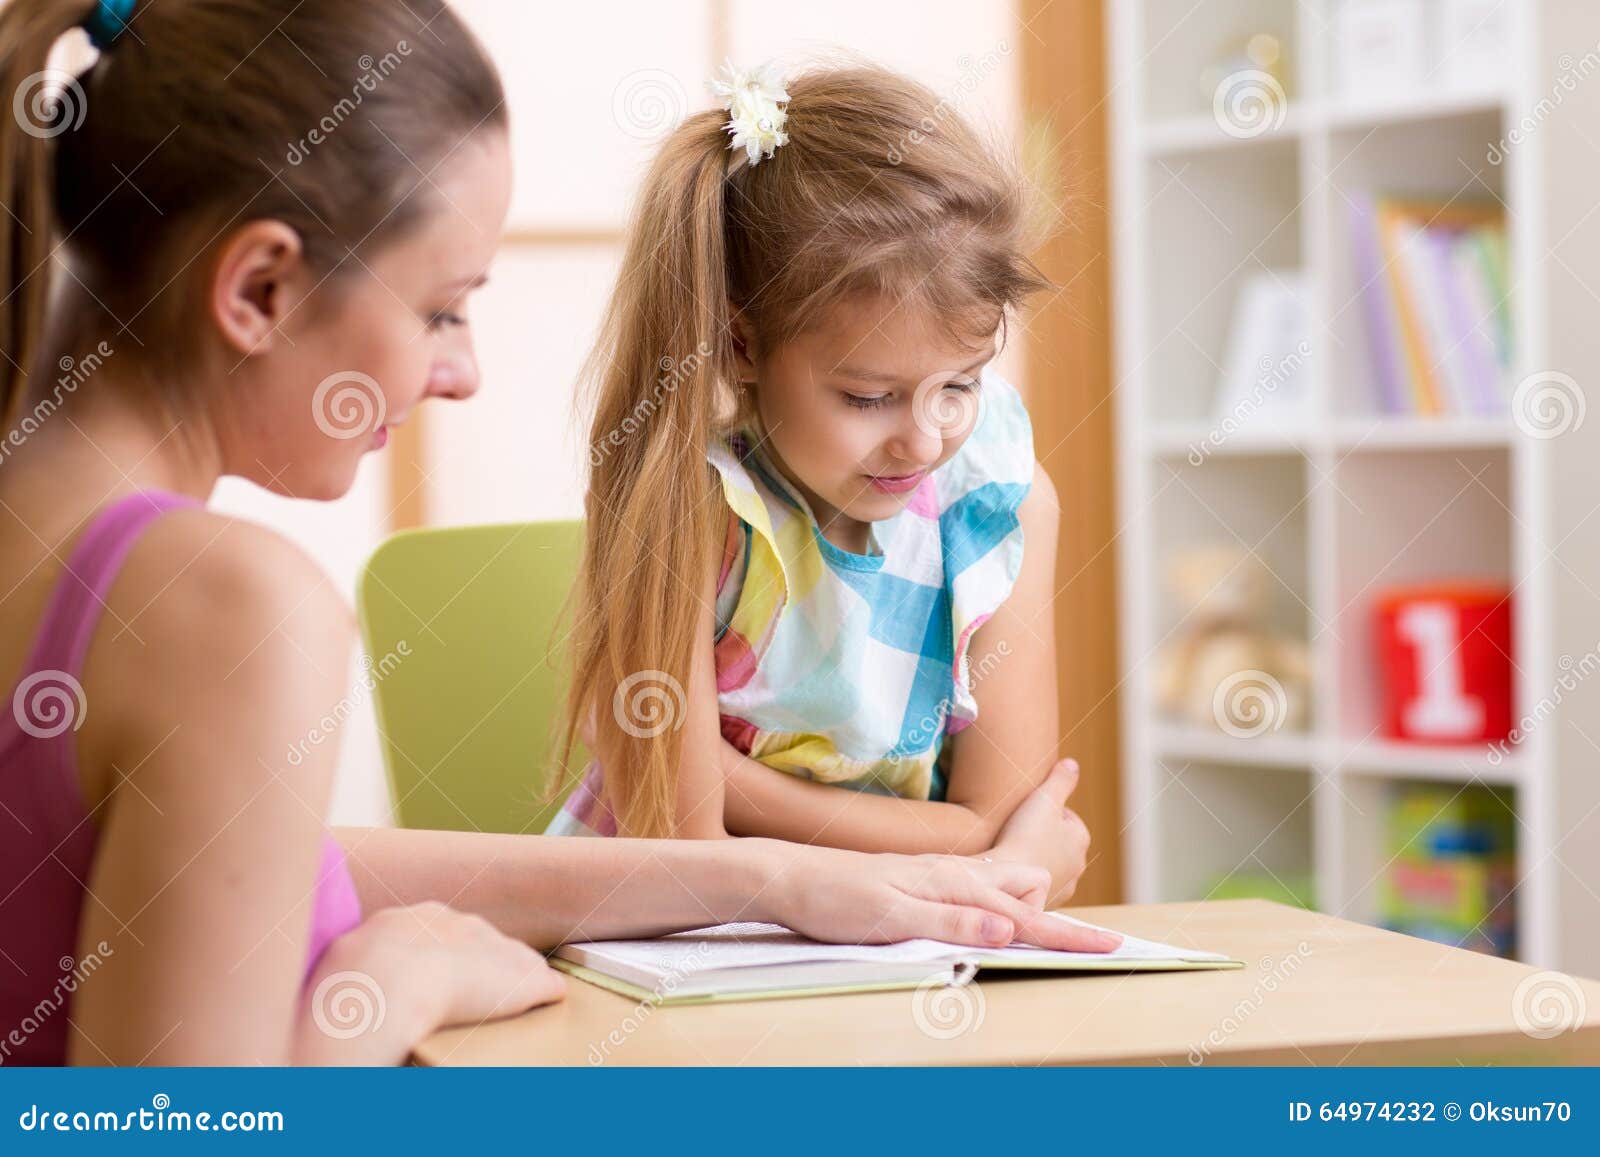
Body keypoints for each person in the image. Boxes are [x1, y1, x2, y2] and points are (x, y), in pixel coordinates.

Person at [0, 0, 1108, 1068]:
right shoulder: (223, 601)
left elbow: (257, 867)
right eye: (442, 307)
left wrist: (762, 876)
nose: (463, 371)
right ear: (261, 287)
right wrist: (398, 974)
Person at [550, 60, 1101, 909]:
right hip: (673, 946)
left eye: (961, 383)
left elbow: (1005, 819)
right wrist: (966, 860)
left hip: (895, 943)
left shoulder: (997, 497)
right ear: (739, 346)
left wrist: (739, 785)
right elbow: (694, 864)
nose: (924, 437)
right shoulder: (688, 505)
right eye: (869, 396)